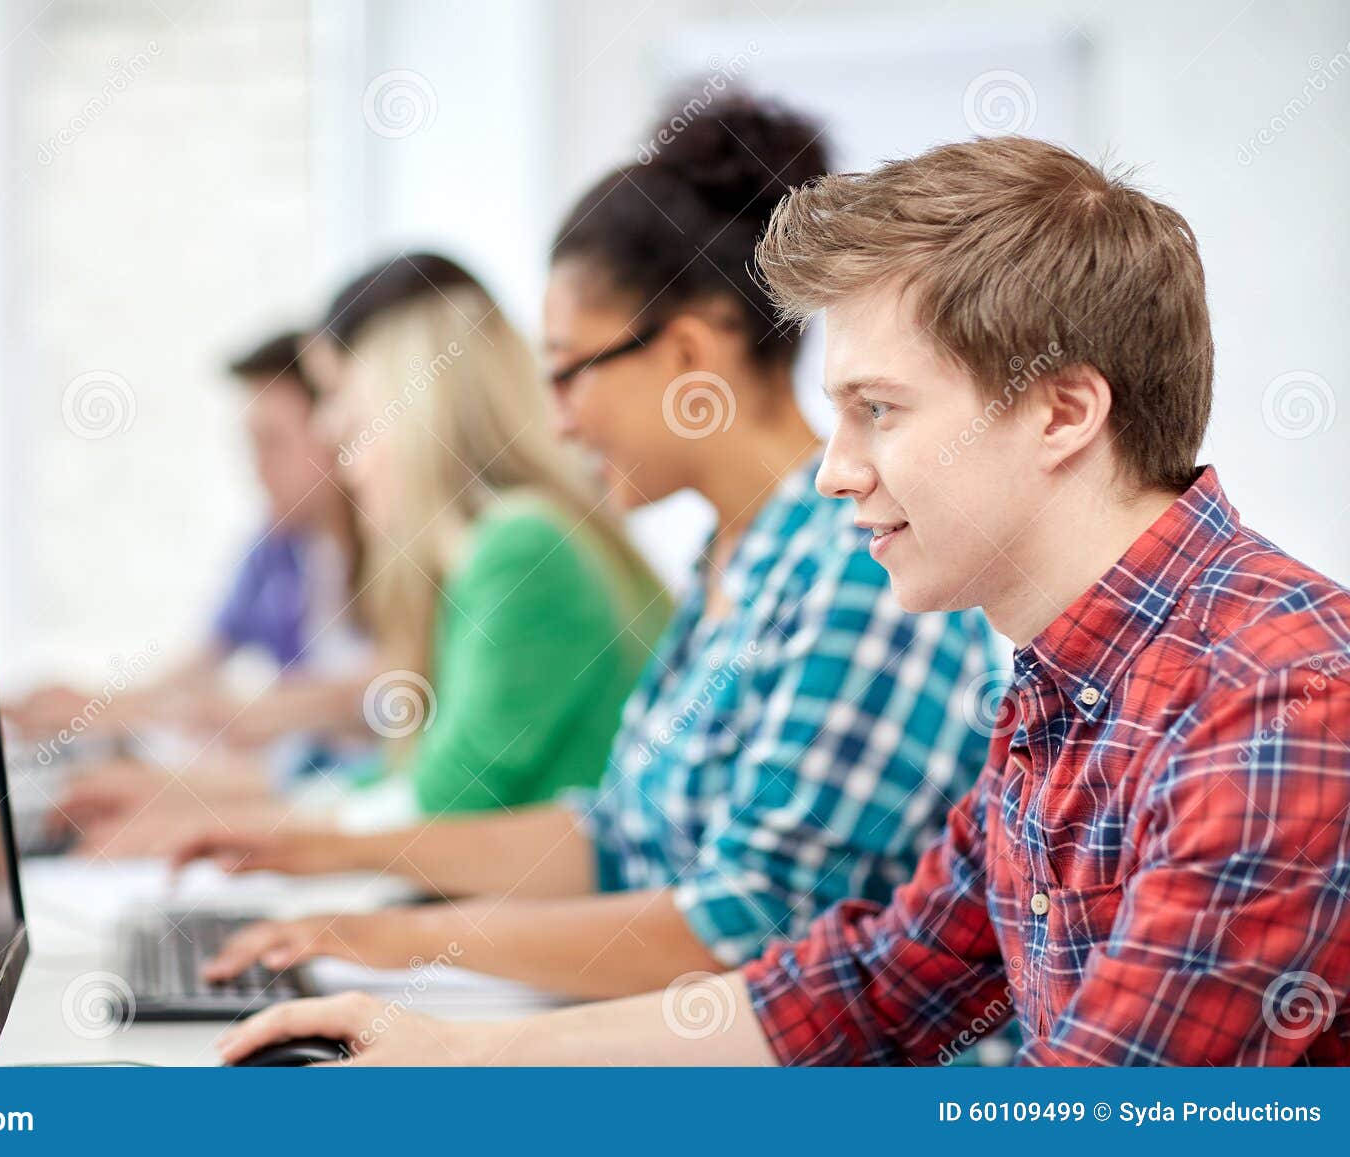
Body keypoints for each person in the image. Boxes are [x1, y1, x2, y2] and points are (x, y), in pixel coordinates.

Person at [211, 134, 1350, 1066]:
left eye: (879, 411)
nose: (832, 467)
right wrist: (448, 1053)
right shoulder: (1063, 687)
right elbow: (862, 986)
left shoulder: (1275, 696)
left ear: (1061, 413)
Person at [174, 96, 1003, 1001]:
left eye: (570, 371)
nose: (559, 422)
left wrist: (400, 939)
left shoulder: (854, 568)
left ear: (687, 351)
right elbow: (612, 838)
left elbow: (738, 928)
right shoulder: (732, 561)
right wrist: (318, 856)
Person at [63, 259, 671, 846]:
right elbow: (410, 781)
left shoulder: (521, 547)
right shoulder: (501, 544)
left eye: (337, 397)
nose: (328, 430)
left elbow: (437, 805)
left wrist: (218, 823)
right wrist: (199, 807)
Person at [5, 329, 371, 749]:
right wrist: (95, 707)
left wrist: (250, 713)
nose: (258, 468)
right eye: (251, 445)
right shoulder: (275, 548)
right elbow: (202, 662)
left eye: (273, 443)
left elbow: (389, 685)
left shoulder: (389, 548)